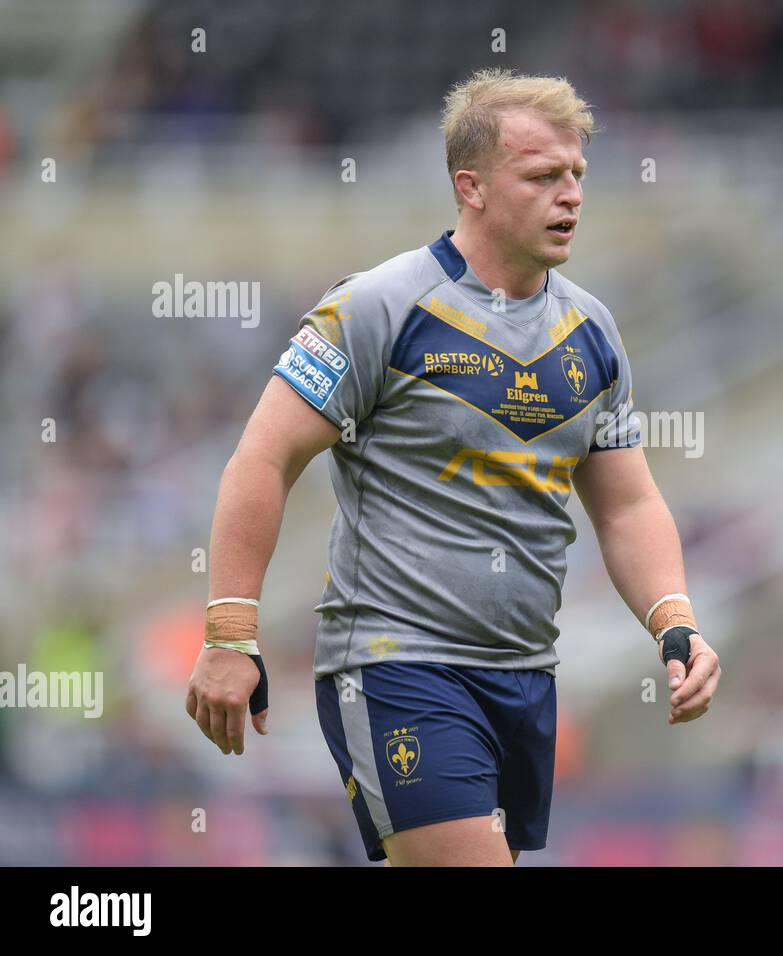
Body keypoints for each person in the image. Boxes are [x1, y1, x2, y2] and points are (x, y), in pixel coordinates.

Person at [184, 68, 720, 866]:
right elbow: (262, 459)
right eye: (541, 177)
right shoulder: (376, 307)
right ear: (470, 186)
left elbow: (626, 505)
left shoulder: (594, 333)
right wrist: (231, 630)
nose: (569, 195)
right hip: (397, 667)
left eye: (576, 176)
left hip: (524, 677)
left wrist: (676, 622)